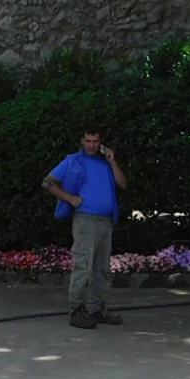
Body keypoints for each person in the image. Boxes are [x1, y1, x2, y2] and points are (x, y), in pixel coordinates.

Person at [43, 127, 127, 328]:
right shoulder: (73, 161)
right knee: (83, 265)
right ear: (82, 141)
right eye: (88, 141)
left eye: (95, 141)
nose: (91, 145)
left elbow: (123, 184)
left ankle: (96, 309)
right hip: (85, 220)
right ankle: (76, 310)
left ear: (101, 143)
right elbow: (48, 182)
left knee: (101, 268)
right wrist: (70, 198)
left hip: (105, 220)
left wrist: (113, 161)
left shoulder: (105, 163)